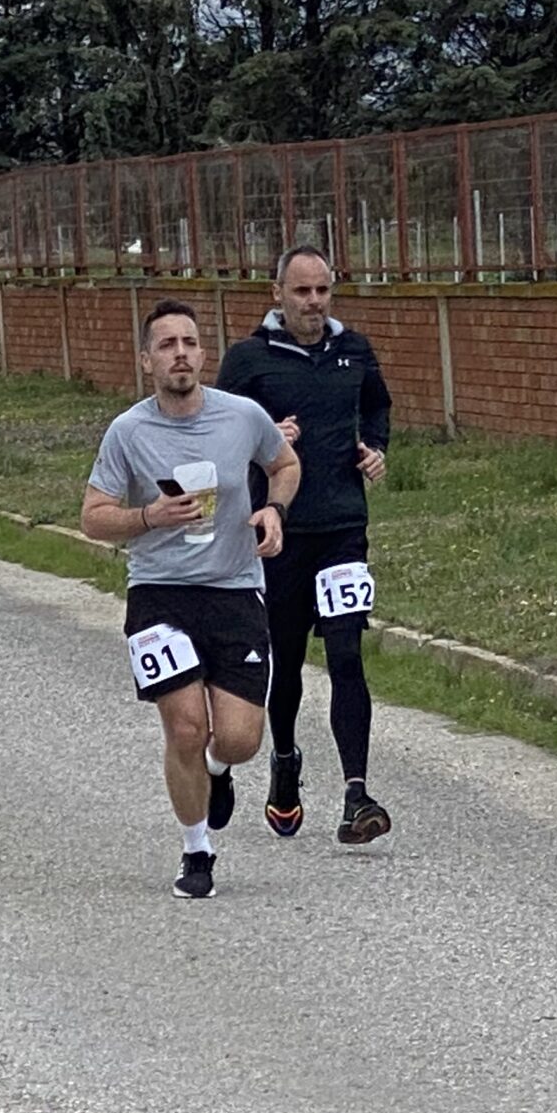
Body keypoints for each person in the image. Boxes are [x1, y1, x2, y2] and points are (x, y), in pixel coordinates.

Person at [80, 299, 299, 901]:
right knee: (184, 727)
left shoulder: (242, 416)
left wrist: (273, 510)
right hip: (160, 594)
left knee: (238, 739)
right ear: (147, 359)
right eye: (168, 344)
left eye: (190, 343)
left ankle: (218, 772)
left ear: (204, 354)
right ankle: (196, 850)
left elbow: (284, 462)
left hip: (233, 589)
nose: (181, 353)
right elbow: (93, 519)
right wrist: (149, 515)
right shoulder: (129, 431)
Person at [216, 246, 395, 844]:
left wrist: (373, 446)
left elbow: (377, 404)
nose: (313, 303)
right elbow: (216, 434)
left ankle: (356, 795)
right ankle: (285, 761)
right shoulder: (248, 361)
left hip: (343, 524)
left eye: (322, 291)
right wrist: (265, 436)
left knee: (346, 655)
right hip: (278, 531)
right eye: (301, 292)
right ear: (278, 294)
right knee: (285, 661)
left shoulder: (355, 351)